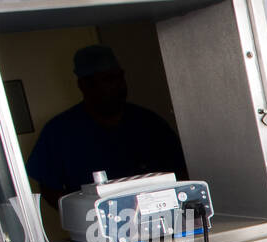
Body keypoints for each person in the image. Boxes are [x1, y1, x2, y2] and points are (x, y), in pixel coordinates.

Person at [26, 44, 188, 209]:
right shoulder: (59, 132)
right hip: (95, 228)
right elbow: (49, 189)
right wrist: (85, 217)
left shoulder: (149, 123)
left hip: (160, 218)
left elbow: (182, 172)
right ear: (84, 85)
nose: (118, 86)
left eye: (120, 77)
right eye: (108, 80)